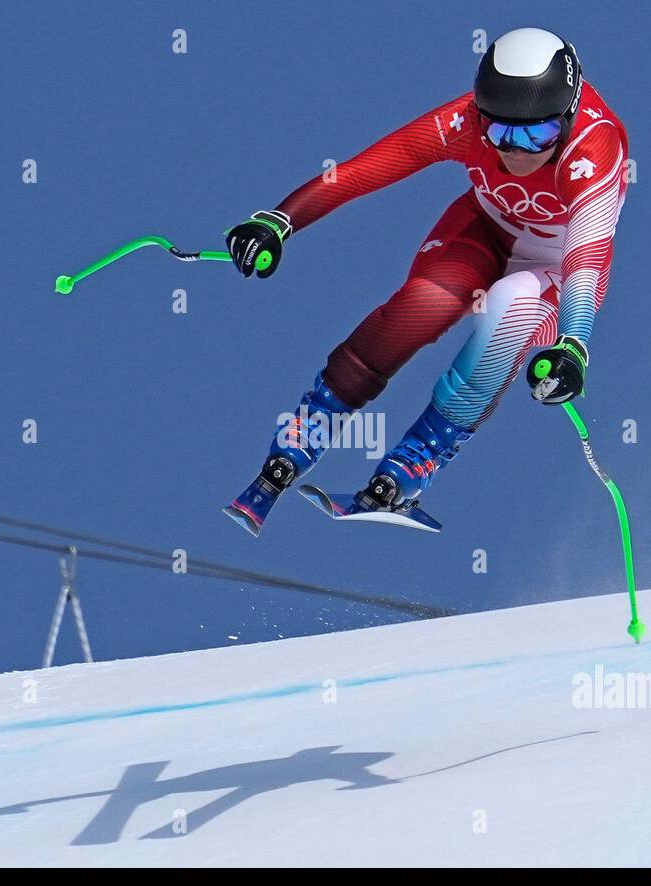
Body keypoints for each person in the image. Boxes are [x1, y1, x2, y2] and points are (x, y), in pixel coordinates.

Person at [224, 27, 629, 535]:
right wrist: (281, 219)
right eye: (500, 133)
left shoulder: (597, 145)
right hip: (483, 230)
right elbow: (365, 170)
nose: (516, 151)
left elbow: (585, 256)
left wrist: (573, 344)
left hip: (557, 267)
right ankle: (309, 428)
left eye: (538, 136)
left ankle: (417, 460)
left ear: (567, 118)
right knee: (424, 305)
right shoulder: (466, 120)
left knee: (511, 306)